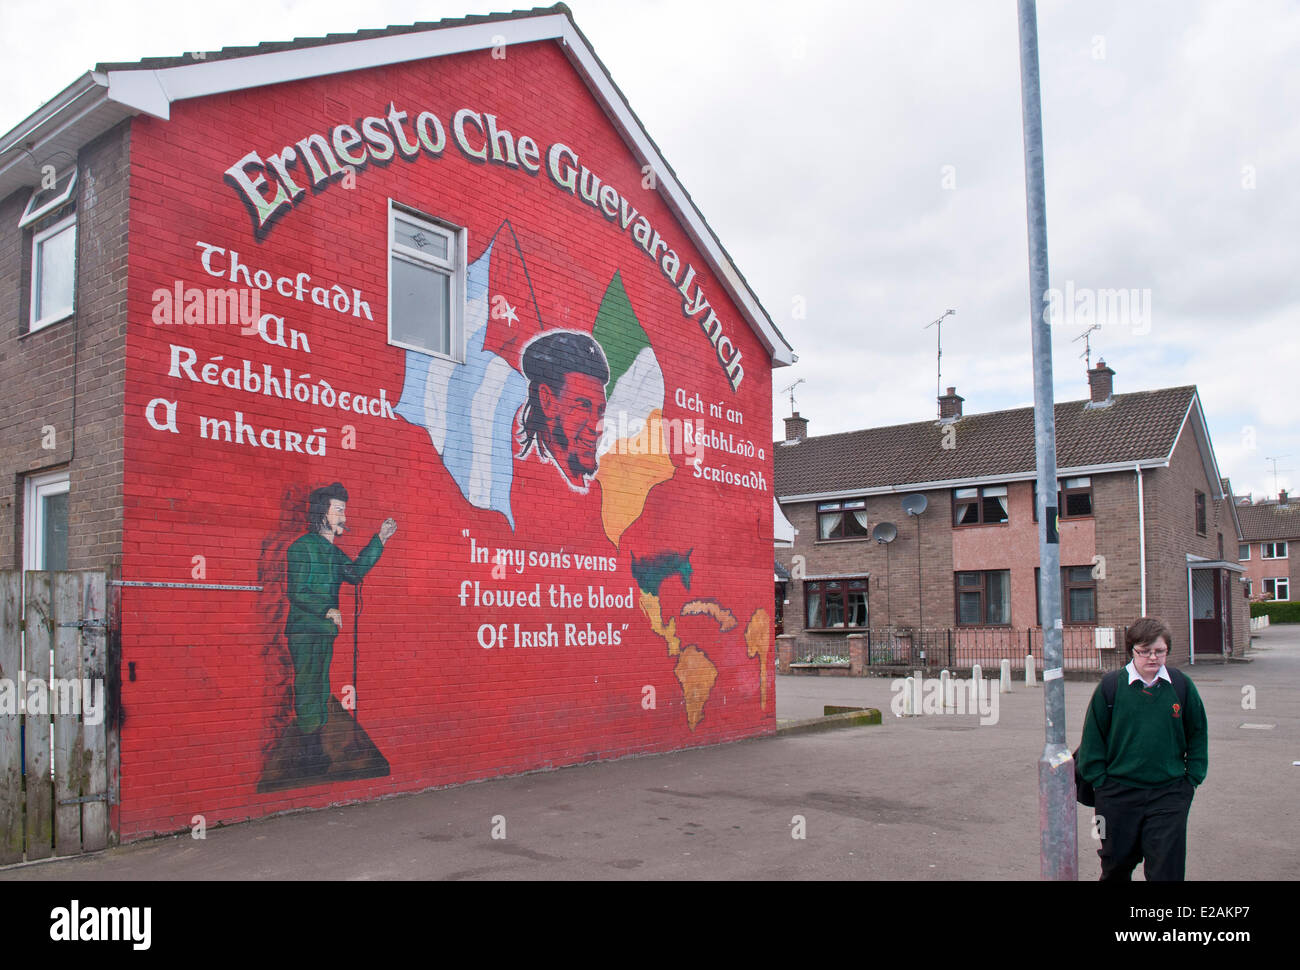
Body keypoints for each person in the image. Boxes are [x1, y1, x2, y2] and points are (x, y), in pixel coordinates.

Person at [1077, 616, 1208, 881]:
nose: (1153, 657)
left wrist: (1192, 778)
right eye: (1144, 651)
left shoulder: (1181, 686)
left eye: (1160, 651)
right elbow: (1093, 739)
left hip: (1169, 793)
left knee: (1166, 871)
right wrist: (1100, 782)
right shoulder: (1111, 687)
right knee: (1115, 867)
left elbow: (1198, 733)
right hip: (1117, 794)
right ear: (1132, 650)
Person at [285, 483, 397, 772]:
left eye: (343, 511)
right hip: (305, 631)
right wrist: (327, 609)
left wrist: (380, 539)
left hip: (324, 632)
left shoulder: (333, 554)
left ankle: (314, 750)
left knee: (320, 685)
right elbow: (297, 591)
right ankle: (309, 753)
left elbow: (355, 573)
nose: (343, 518)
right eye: (338, 510)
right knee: (308, 686)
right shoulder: (301, 548)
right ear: (321, 513)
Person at [516, 330, 609, 492]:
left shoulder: (596, 491)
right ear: (547, 401)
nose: (596, 427)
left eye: (600, 411)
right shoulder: (527, 483)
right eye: (583, 406)